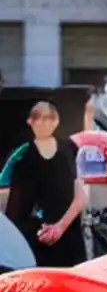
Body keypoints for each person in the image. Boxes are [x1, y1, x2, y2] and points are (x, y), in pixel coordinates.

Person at [0, 102, 87, 267]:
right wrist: (42, 230)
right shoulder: (23, 157)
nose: (43, 123)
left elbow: (81, 196)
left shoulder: (70, 150)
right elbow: (17, 208)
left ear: (56, 121)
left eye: (48, 118)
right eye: (38, 118)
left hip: (69, 236)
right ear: (30, 122)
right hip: (36, 239)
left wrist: (60, 227)